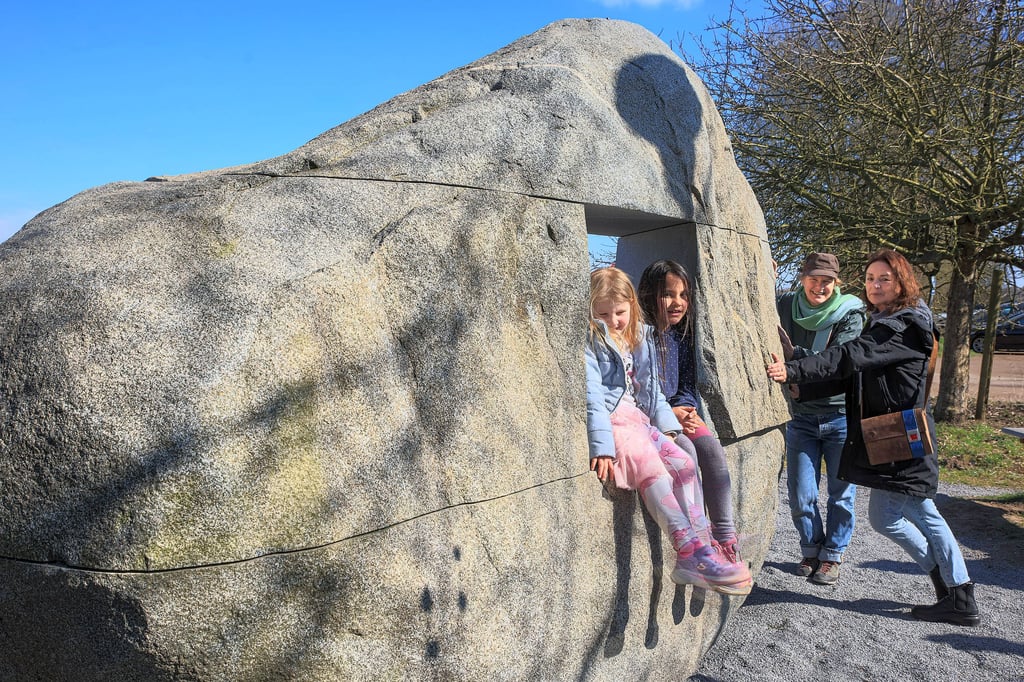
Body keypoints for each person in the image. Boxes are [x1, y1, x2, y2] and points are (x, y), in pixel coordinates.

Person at [766, 249, 981, 626]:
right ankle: (948, 586)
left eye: (885, 279)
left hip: (904, 437)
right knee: (885, 518)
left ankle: (959, 593)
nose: (875, 285)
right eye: (870, 278)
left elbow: (852, 356)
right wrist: (799, 365)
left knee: (922, 512)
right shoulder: (887, 321)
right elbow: (856, 373)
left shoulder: (905, 325)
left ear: (902, 282)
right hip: (888, 435)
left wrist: (794, 369)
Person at [586, 266, 751, 595]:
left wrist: (669, 430)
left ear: (632, 306)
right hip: (617, 422)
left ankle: (705, 545)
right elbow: (593, 397)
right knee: (653, 472)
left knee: (684, 463)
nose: (613, 321)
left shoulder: (639, 338)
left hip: (641, 420)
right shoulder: (593, 344)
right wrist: (601, 447)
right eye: (602, 313)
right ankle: (688, 550)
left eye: (619, 312)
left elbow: (654, 394)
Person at [637, 260, 752, 586]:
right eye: (668, 294)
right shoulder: (638, 335)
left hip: (676, 410)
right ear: (648, 294)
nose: (678, 302)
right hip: (650, 417)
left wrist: (686, 408)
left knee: (711, 448)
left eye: (684, 294)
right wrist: (670, 416)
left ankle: (725, 539)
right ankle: (698, 543)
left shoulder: (680, 335)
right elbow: (639, 389)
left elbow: (686, 383)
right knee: (685, 450)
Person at [775, 253, 866, 585]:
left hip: (840, 415)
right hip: (800, 417)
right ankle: (811, 549)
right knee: (801, 494)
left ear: (836, 282)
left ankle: (833, 556)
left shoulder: (851, 313)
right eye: (814, 279)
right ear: (802, 278)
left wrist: (794, 358)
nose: (820, 286)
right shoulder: (785, 305)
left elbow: (839, 360)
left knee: (841, 494)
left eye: (827, 280)